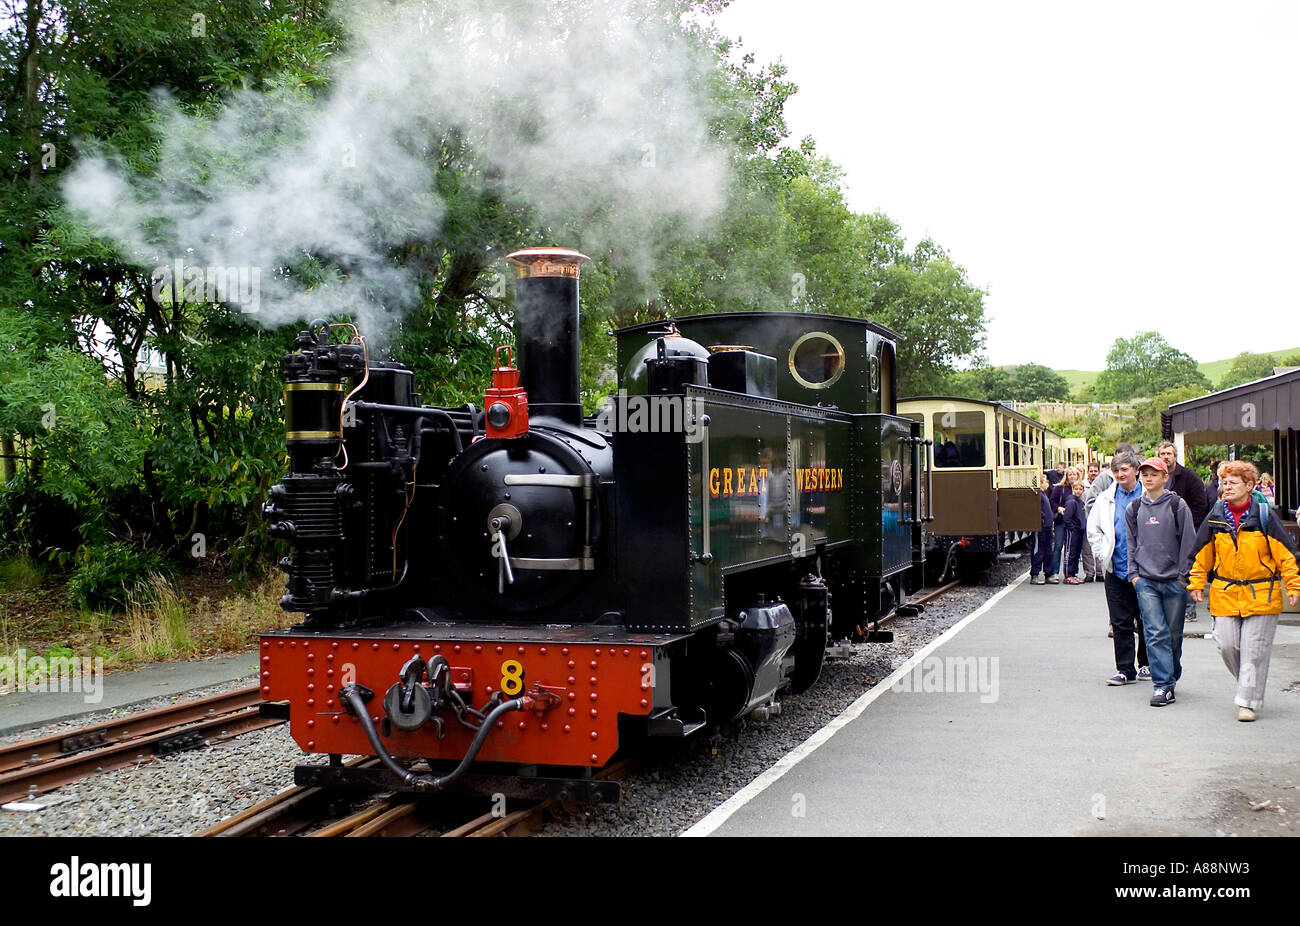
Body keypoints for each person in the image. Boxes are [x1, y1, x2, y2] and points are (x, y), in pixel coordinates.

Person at [1188, 461, 1300, 721]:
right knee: (1227, 645)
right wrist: (1195, 583)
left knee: (1253, 649)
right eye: (1224, 482)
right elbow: (1201, 553)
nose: (1227, 487)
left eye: (1233, 482)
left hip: (1261, 593)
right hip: (1225, 593)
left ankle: (1247, 702)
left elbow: (1286, 555)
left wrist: (1294, 586)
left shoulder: (1263, 515)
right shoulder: (1216, 515)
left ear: (1249, 486)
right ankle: (1249, 682)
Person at [1125, 457, 1198, 707]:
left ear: (1165, 477)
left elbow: (1189, 542)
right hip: (1145, 581)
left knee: (1174, 634)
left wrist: (1182, 577)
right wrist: (1134, 575)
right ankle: (1163, 685)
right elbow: (1130, 543)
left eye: (1154, 474)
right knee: (1155, 632)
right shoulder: (1134, 508)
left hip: (1173, 582)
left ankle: (1171, 673)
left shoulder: (1178, 505)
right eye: (1144, 473)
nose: (1148, 478)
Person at [1087, 451, 1150, 684]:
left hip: (1145, 570)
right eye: (1116, 471)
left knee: (1146, 619)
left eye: (1124, 469)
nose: (1120, 474)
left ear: (1136, 470)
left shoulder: (1149, 494)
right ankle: (1125, 669)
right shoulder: (1105, 498)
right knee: (1120, 620)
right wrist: (1103, 554)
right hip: (1116, 568)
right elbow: (1093, 530)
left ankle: (1146, 664)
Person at [1048, 466, 1081, 582]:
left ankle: (1071, 572)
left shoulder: (1080, 488)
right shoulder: (1060, 488)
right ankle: (1054, 572)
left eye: (1074, 474)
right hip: (1061, 521)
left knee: (1072, 548)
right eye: (1070, 474)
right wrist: (1058, 508)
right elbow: (1051, 501)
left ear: (1078, 476)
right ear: (1066, 476)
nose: (1072, 476)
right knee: (1058, 545)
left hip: (1074, 523)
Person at [1029, 472, 1054, 585]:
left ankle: (1048, 573)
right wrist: (1042, 517)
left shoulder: (1043, 494)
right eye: (1045, 481)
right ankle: (1035, 574)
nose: (1047, 483)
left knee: (1048, 551)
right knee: (1038, 550)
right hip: (1041, 526)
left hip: (1047, 526)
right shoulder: (1037, 494)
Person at [1062, 480, 1087, 584]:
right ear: (1073, 489)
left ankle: (1074, 573)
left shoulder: (1080, 502)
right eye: (1076, 489)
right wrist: (1072, 528)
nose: (1078, 491)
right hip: (1072, 531)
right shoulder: (1071, 501)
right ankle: (1068, 574)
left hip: (1079, 531)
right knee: (1070, 553)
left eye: (1080, 489)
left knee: (1076, 553)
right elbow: (1067, 518)